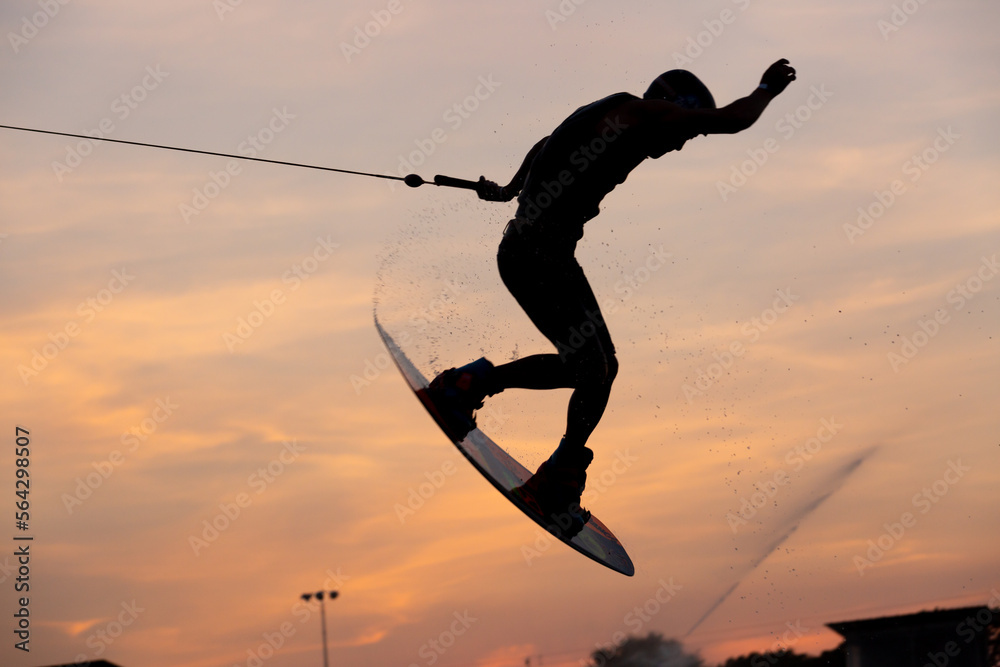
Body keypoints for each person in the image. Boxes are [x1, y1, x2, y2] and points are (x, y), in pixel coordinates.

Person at [427, 59, 797, 534]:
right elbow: (735, 119)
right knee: (591, 368)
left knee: (605, 369)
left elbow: (546, 143)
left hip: (548, 254)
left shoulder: (609, 116)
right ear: (673, 107)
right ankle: (466, 386)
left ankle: (559, 471)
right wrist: (767, 88)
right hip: (532, 255)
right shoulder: (643, 115)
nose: (683, 141)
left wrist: (508, 190)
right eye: (686, 129)